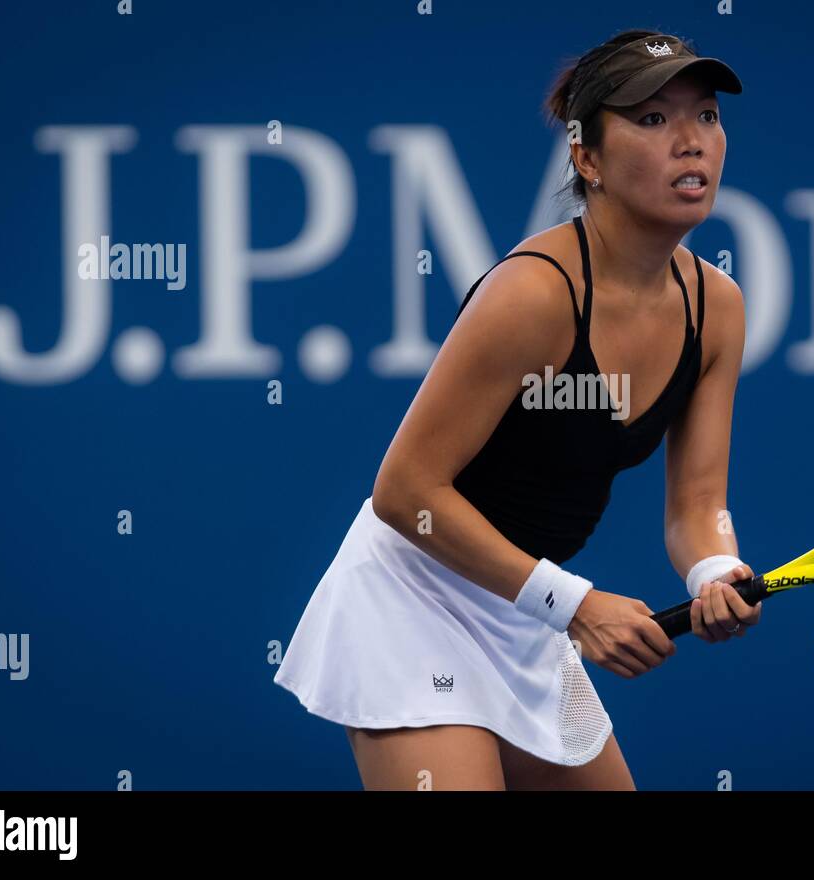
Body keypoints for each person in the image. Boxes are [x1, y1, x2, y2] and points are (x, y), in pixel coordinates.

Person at [274, 28, 759, 790]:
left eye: (704, 115)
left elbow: (698, 503)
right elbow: (406, 494)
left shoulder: (717, 307)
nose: (691, 142)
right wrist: (576, 605)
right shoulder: (532, 294)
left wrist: (715, 568)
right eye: (654, 120)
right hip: (414, 599)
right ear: (587, 159)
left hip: (524, 611)